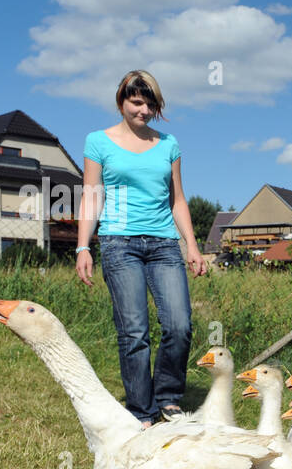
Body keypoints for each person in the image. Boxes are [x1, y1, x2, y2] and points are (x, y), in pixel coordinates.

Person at [75, 70, 206, 427]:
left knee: (179, 325)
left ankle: (168, 397)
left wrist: (191, 246)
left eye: (151, 104)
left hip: (164, 244)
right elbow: (91, 194)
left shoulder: (168, 145)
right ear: (121, 102)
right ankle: (141, 410)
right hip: (119, 242)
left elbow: (178, 199)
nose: (144, 110)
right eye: (137, 102)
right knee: (134, 331)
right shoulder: (97, 142)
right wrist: (82, 247)